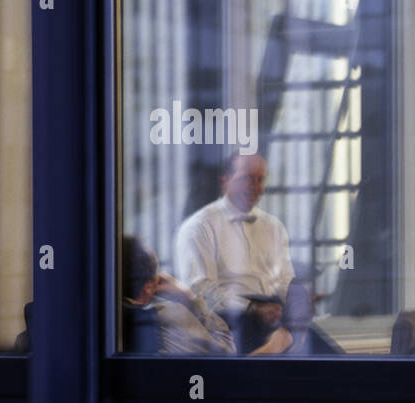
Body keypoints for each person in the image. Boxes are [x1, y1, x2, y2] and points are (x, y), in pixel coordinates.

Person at [174, 152, 295, 352]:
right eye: (247, 178)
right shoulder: (198, 226)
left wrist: (294, 305)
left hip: (275, 315)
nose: (256, 187)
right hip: (231, 320)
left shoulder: (274, 226)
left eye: (261, 179)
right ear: (225, 180)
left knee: (331, 364)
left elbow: (285, 281)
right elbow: (200, 290)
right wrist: (252, 309)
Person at [122, 235, 291, 355]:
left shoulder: (107, 316)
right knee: (280, 341)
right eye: (157, 277)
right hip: (198, 393)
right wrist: (190, 299)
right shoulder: (166, 314)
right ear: (148, 287)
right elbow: (225, 355)